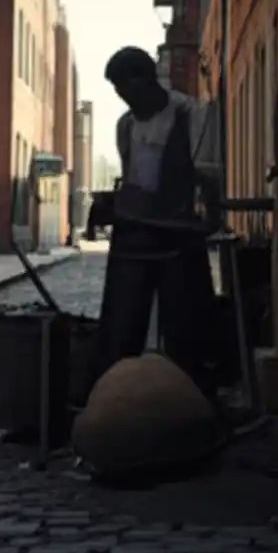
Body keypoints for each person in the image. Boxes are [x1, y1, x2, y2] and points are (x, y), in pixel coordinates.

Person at [90, 46, 224, 409]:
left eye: (126, 88)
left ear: (147, 79)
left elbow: (209, 180)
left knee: (186, 327)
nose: (123, 98)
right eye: (117, 91)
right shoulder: (126, 125)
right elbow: (133, 175)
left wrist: (208, 219)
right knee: (121, 326)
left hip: (177, 238)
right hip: (133, 239)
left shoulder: (189, 114)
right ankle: (115, 402)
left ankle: (191, 403)